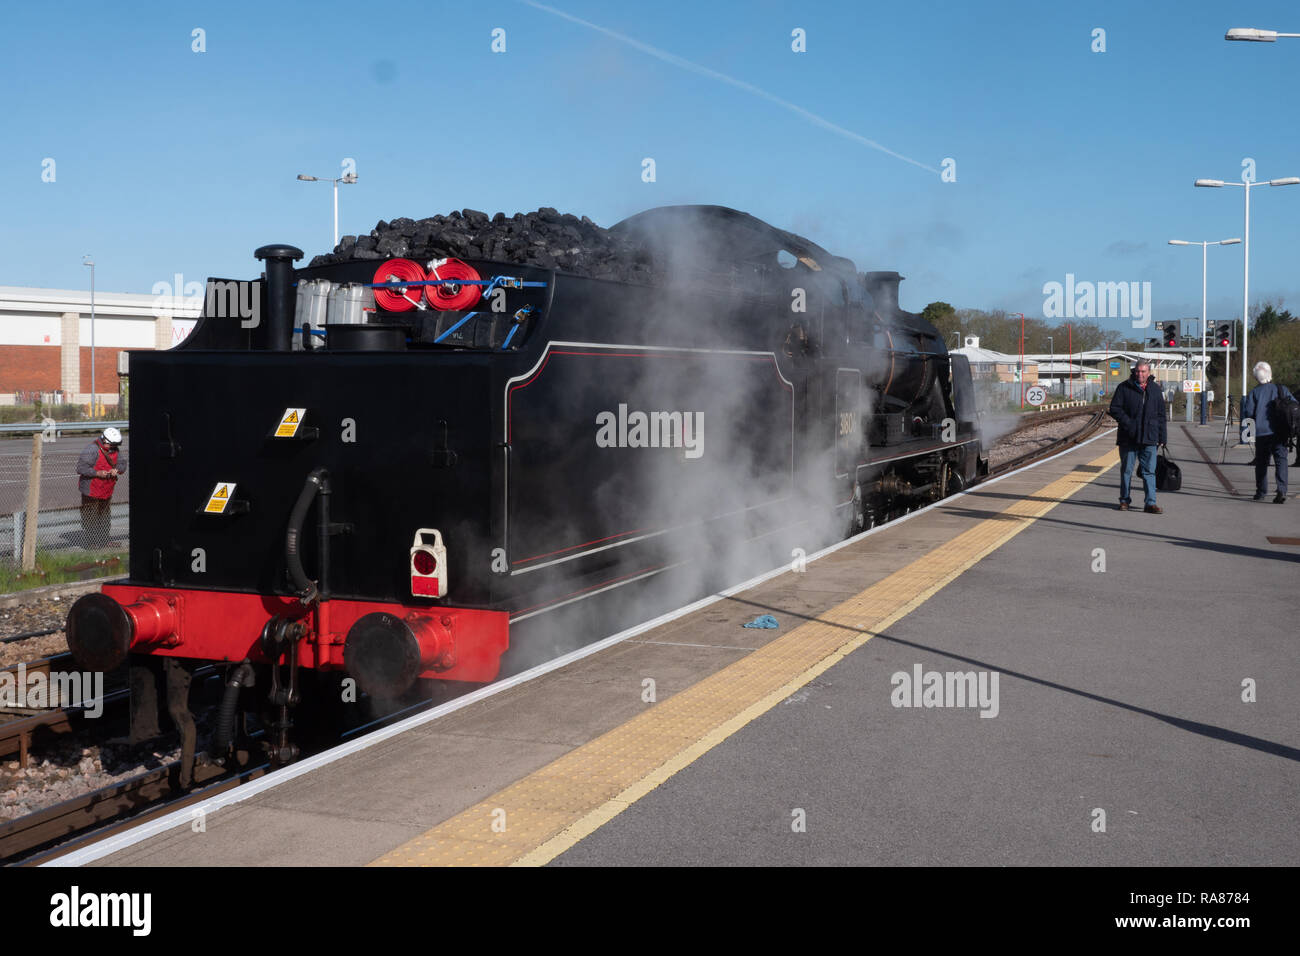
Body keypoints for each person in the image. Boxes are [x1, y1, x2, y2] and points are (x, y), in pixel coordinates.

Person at [1107, 360, 1166, 513]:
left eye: (1143, 371)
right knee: (1126, 471)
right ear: (1134, 372)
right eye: (1138, 371)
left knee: (1149, 472)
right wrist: (1129, 423)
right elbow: (1114, 408)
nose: (1140, 374)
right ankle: (1124, 500)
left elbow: (1161, 415)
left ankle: (1150, 503)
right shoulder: (1124, 387)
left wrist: (1162, 437)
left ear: (1149, 372)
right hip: (1128, 437)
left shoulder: (1155, 389)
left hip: (1149, 437)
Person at [1240, 361, 1292, 503]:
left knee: (1262, 463)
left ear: (1257, 377)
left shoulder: (1254, 392)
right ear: (1270, 374)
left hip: (1262, 433)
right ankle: (1282, 490)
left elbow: (1249, 412)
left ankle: (1261, 492)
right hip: (1280, 431)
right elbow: (1293, 405)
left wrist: (1248, 432)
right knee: (1281, 461)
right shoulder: (1282, 389)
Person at [76, 427, 127, 547]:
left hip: (106, 490)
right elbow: (80, 468)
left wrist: (117, 470)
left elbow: (123, 465)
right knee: (90, 517)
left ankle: (104, 541)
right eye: (112, 445)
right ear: (105, 441)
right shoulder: (91, 449)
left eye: (115, 445)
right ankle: (91, 543)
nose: (114, 448)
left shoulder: (115, 450)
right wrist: (97, 473)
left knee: (104, 517)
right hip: (91, 490)